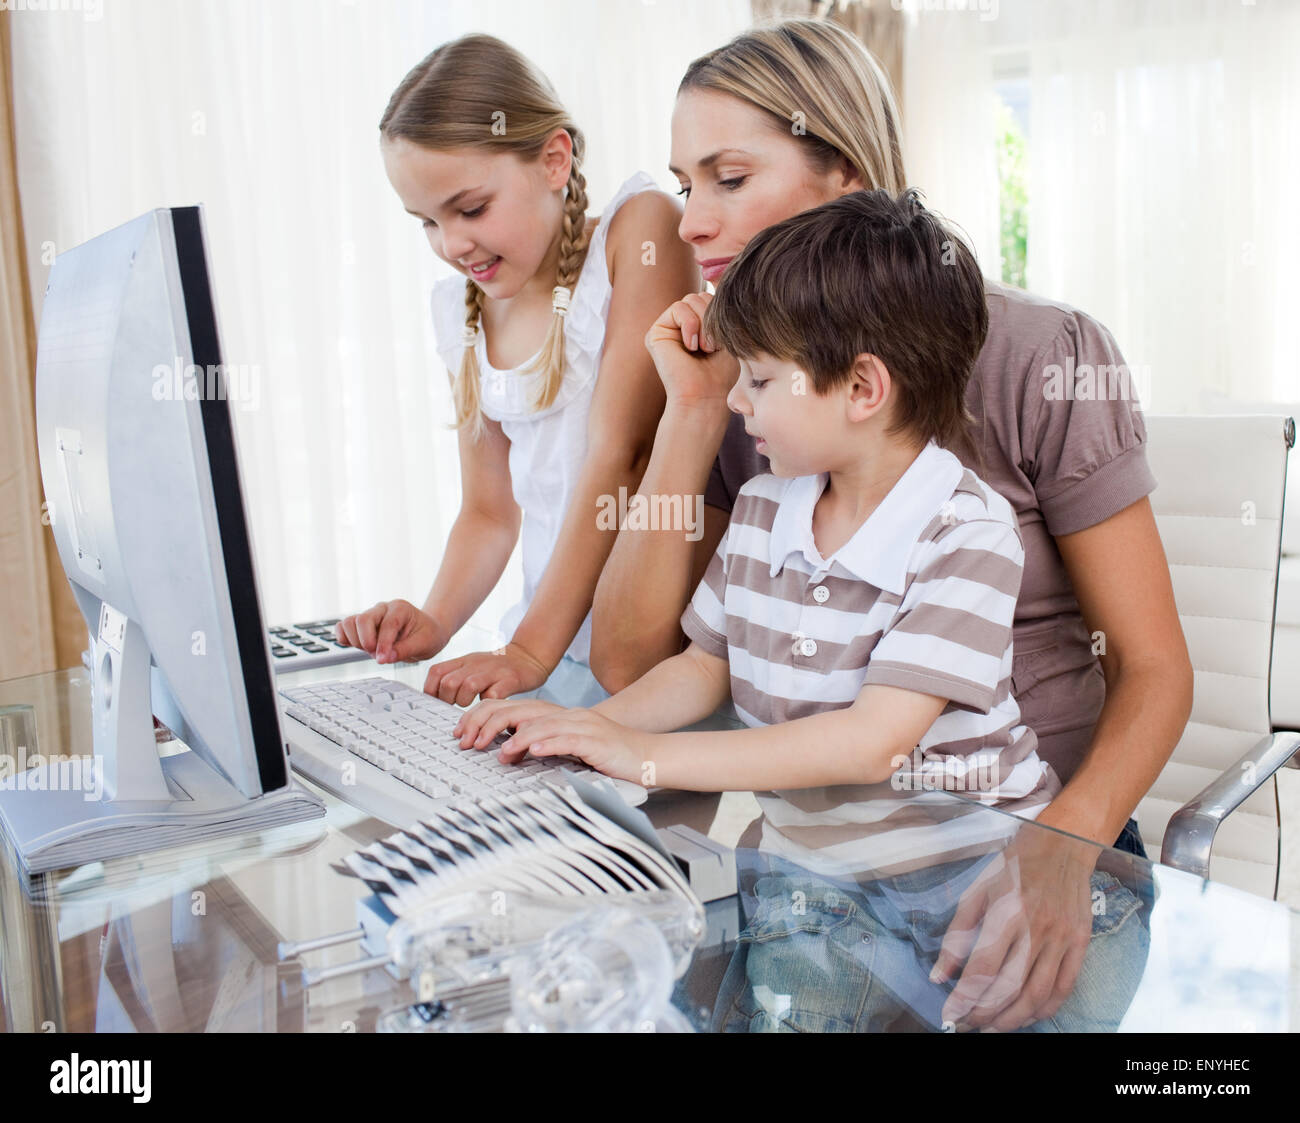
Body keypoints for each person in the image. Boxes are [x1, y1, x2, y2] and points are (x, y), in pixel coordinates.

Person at [584, 19, 1190, 1031]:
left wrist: (1065, 836)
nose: (688, 223)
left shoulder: (1043, 356)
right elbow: (631, 660)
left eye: (727, 178)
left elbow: (1154, 665)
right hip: (825, 857)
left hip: (1027, 832)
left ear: (846, 178)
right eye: (684, 183)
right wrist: (690, 418)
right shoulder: (754, 398)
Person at [335, 33, 698, 706]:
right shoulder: (459, 311)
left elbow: (621, 452)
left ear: (554, 160)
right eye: (427, 222)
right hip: (550, 655)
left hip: (658, 656)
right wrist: (436, 619)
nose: (452, 244)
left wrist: (530, 649)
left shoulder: (638, 233)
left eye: (470, 208)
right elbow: (488, 511)